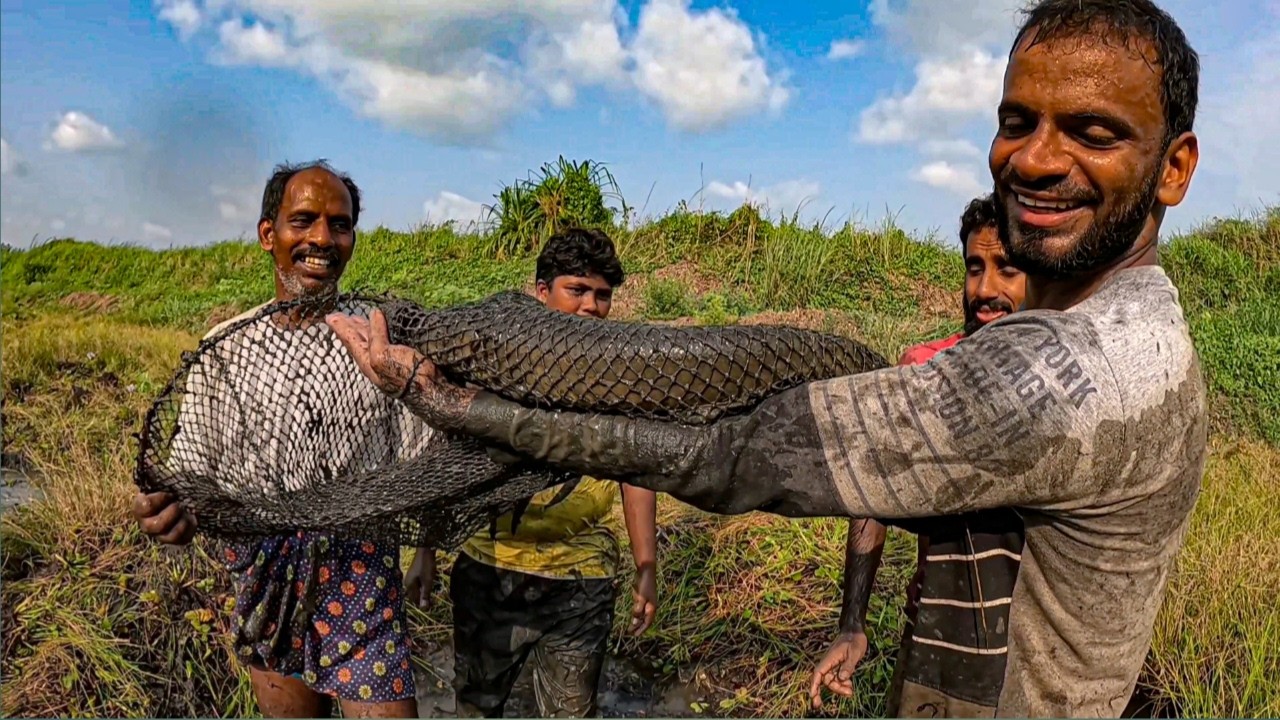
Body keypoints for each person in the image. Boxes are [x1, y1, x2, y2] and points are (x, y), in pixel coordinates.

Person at [327, 0, 1207, 715]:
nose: (1039, 159)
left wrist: (460, 406)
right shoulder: (1114, 335)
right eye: (1019, 121)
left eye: (1094, 133)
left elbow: (728, 455)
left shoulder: (1072, 374)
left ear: (1174, 169)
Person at [132, 160, 425, 719]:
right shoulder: (224, 348)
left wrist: (426, 553)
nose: (322, 239)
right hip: (263, 568)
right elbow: (191, 467)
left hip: (359, 564)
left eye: (339, 225)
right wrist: (171, 510)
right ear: (270, 235)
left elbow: (420, 463)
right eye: (304, 220)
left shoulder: (380, 339)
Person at [403, 227, 660, 718]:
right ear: (541, 293)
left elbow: (637, 475)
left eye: (603, 295)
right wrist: (425, 549)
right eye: (577, 290)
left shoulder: (623, 380)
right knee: (477, 707)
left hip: (581, 576)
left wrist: (646, 565)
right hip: (488, 568)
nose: (591, 306)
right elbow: (443, 463)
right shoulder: (494, 367)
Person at [809, 194, 1028, 717]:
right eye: (975, 267)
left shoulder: (1066, 383)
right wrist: (852, 623)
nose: (985, 290)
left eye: (1008, 269)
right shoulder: (924, 368)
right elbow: (872, 494)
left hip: (1032, 657)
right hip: (934, 642)